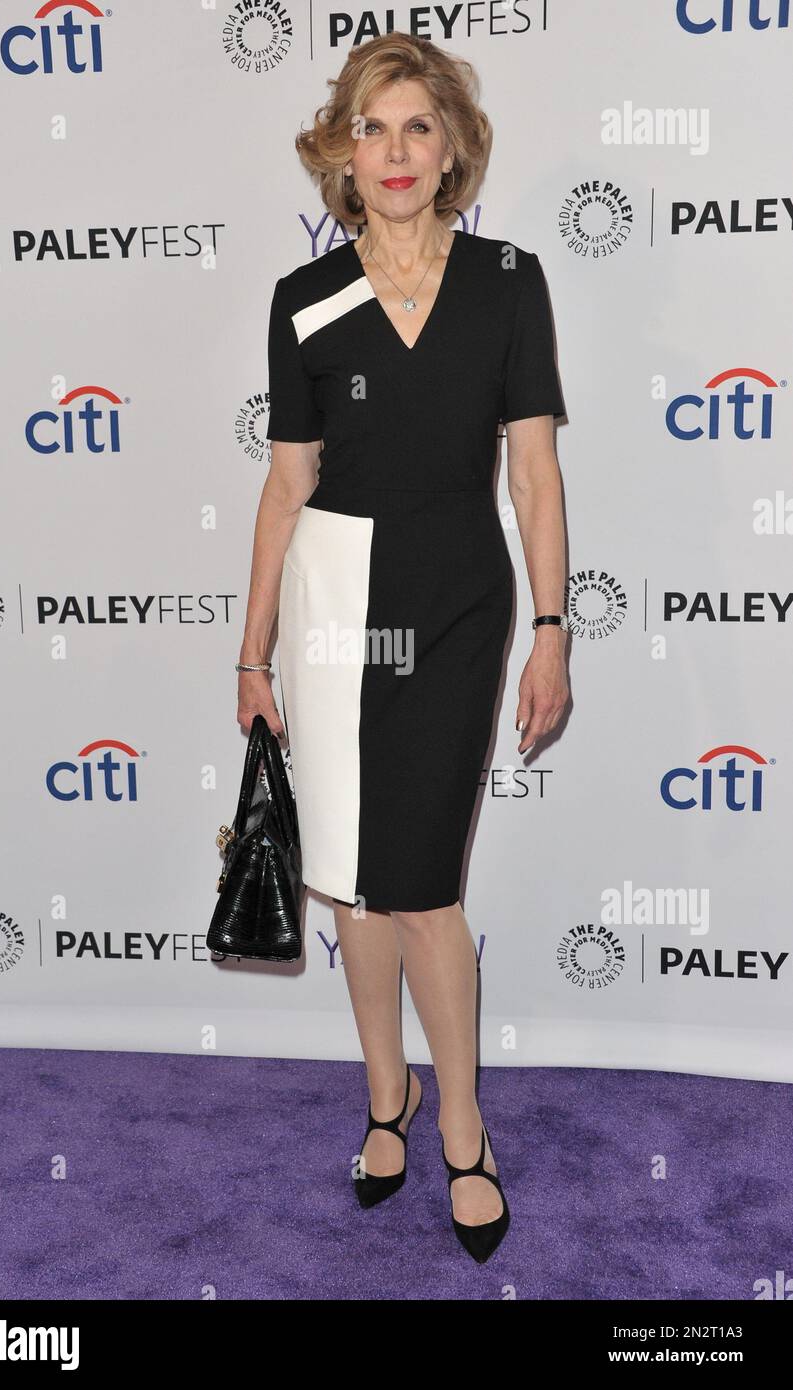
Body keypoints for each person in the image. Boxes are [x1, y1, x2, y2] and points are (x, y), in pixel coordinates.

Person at [235, 32, 569, 1263]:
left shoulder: (507, 279)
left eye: (416, 127)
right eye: (370, 129)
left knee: (422, 882)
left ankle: (464, 1129)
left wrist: (550, 628)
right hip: (331, 607)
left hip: (458, 603)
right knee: (351, 877)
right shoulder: (303, 300)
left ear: (452, 150)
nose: (393, 152)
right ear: (341, 150)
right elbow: (284, 490)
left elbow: (532, 472)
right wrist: (251, 653)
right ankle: (389, 1099)